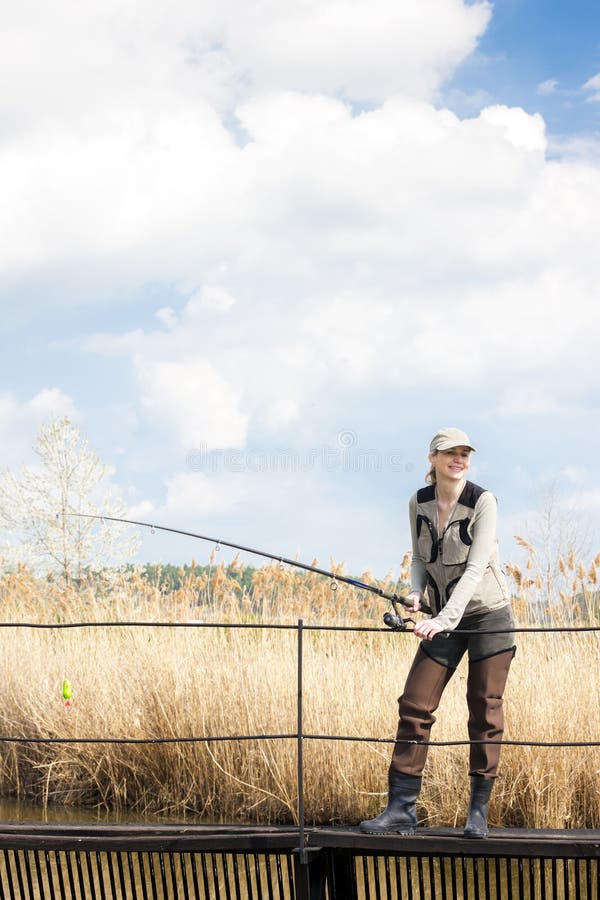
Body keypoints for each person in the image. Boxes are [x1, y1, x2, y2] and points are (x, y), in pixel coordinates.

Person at [359, 427, 515, 839]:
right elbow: (418, 555)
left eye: (465, 453)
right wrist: (415, 592)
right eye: (451, 452)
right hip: (442, 615)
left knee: (485, 709)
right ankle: (400, 810)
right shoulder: (419, 501)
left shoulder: (483, 501)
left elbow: (478, 567)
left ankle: (477, 813)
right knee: (414, 704)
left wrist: (442, 619)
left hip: (487, 617)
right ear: (433, 458)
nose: (459, 458)